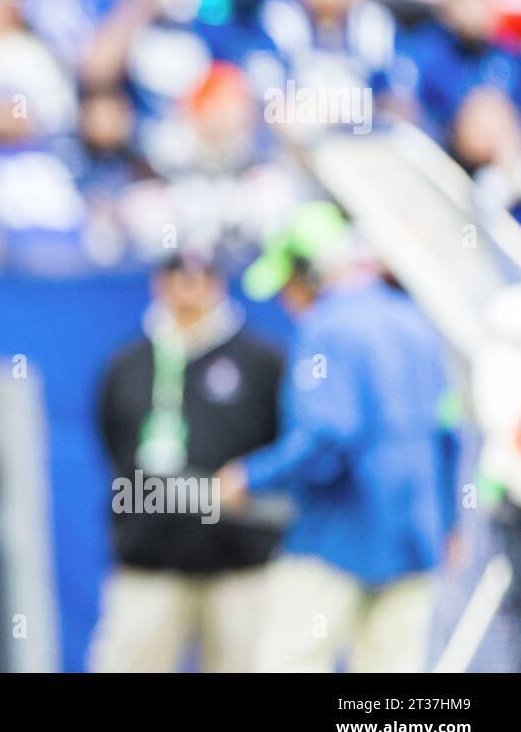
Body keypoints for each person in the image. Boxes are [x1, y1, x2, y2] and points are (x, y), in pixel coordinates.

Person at [217, 202, 461, 672]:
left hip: (334, 541)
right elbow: (447, 434)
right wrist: (447, 522)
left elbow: (327, 438)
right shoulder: (416, 322)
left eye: (287, 283)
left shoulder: (327, 329)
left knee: (288, 661)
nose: (287, 300)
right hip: (415, 538)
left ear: (308, 272)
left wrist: (249, 478)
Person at [91, 249, 284, 672]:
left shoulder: (261, 363)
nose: (188, 289)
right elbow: (112, 440)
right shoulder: (128, 364)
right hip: (149, 562)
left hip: (240, 564)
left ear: (218, 284)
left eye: (200, 277)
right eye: (177, 276)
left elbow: (282, 446)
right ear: (159, 284)